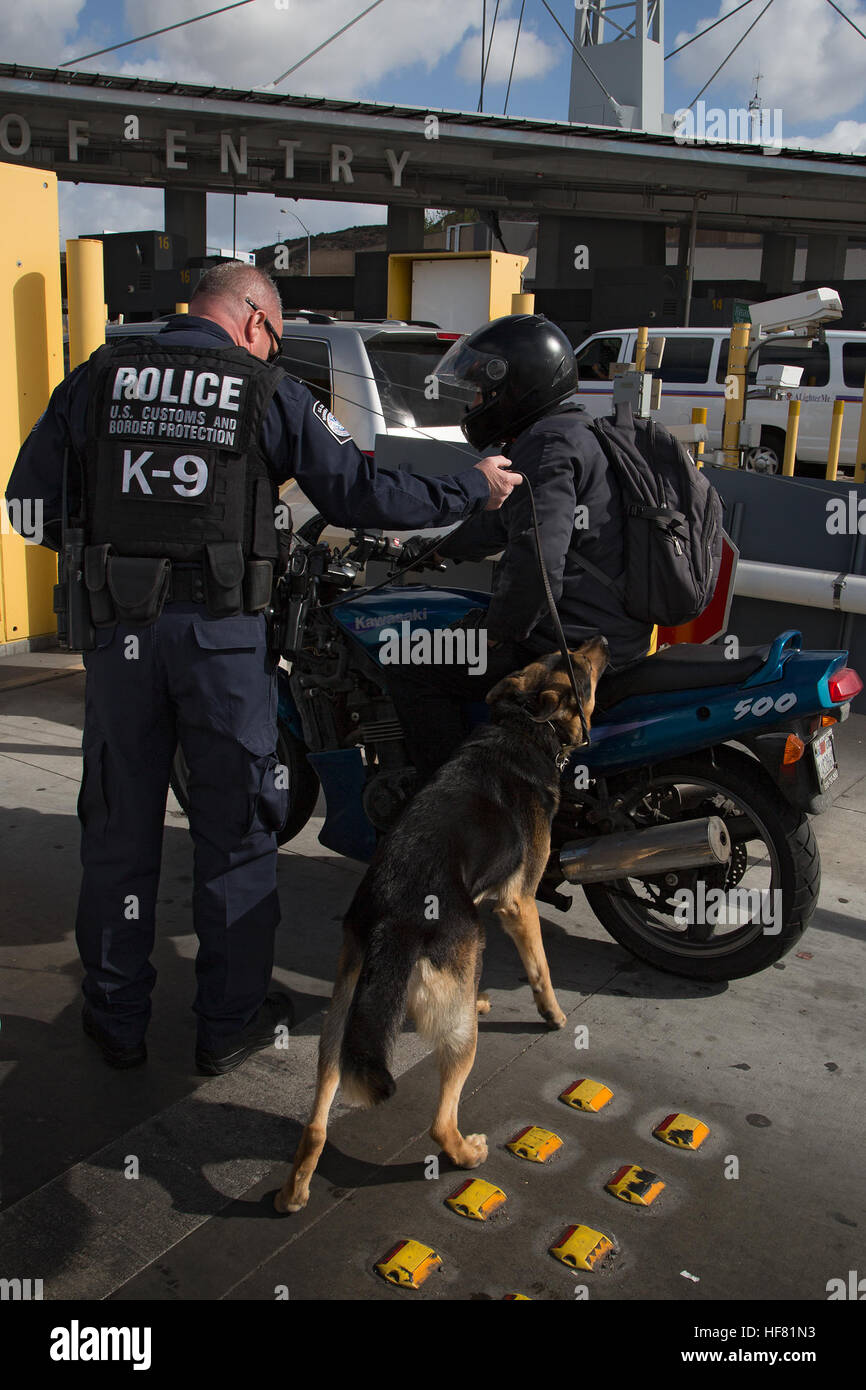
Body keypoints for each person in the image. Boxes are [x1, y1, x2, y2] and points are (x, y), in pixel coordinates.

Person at [5, 263, 520, 1073]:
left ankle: (116, 1022)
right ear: (253, 318)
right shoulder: (264, 390)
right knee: (238, 832)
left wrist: (109, 554)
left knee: (117, 832)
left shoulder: (96, 378)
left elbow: (26, 503)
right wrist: (469, 488)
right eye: (274, 335)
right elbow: (355, 490)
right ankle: (226, 1025)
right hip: (221, 643)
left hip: (119, 643)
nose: (272, 346)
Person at [387, 312, 654, 780]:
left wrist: (498, 632)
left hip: (564, 642)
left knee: (408, 661)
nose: (474, 401)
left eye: (482, 391)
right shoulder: (578, 432)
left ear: (516, 387)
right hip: (608, 630)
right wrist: (435, 551)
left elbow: (538, 558)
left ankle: (448, 805)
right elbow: (508, 520)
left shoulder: (547, 445)